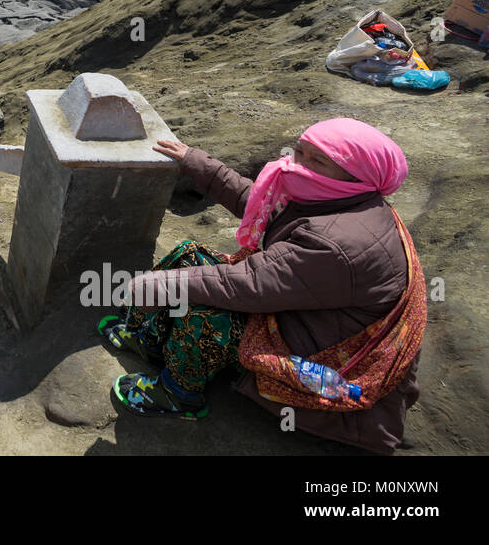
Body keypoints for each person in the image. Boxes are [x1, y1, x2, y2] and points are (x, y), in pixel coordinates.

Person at [103, 118, 424, 455]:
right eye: (299, 152)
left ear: (358, 176)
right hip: (305, 312)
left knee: (211, 315)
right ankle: (151, 342)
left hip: (325, 356)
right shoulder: (333, 197)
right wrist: (194, 161)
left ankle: (177, 394)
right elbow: (259, 205)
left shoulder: (340, 243)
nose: (297, 165)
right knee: (190, 254)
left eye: (317, 161)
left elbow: (248, 284)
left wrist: (163, 284)